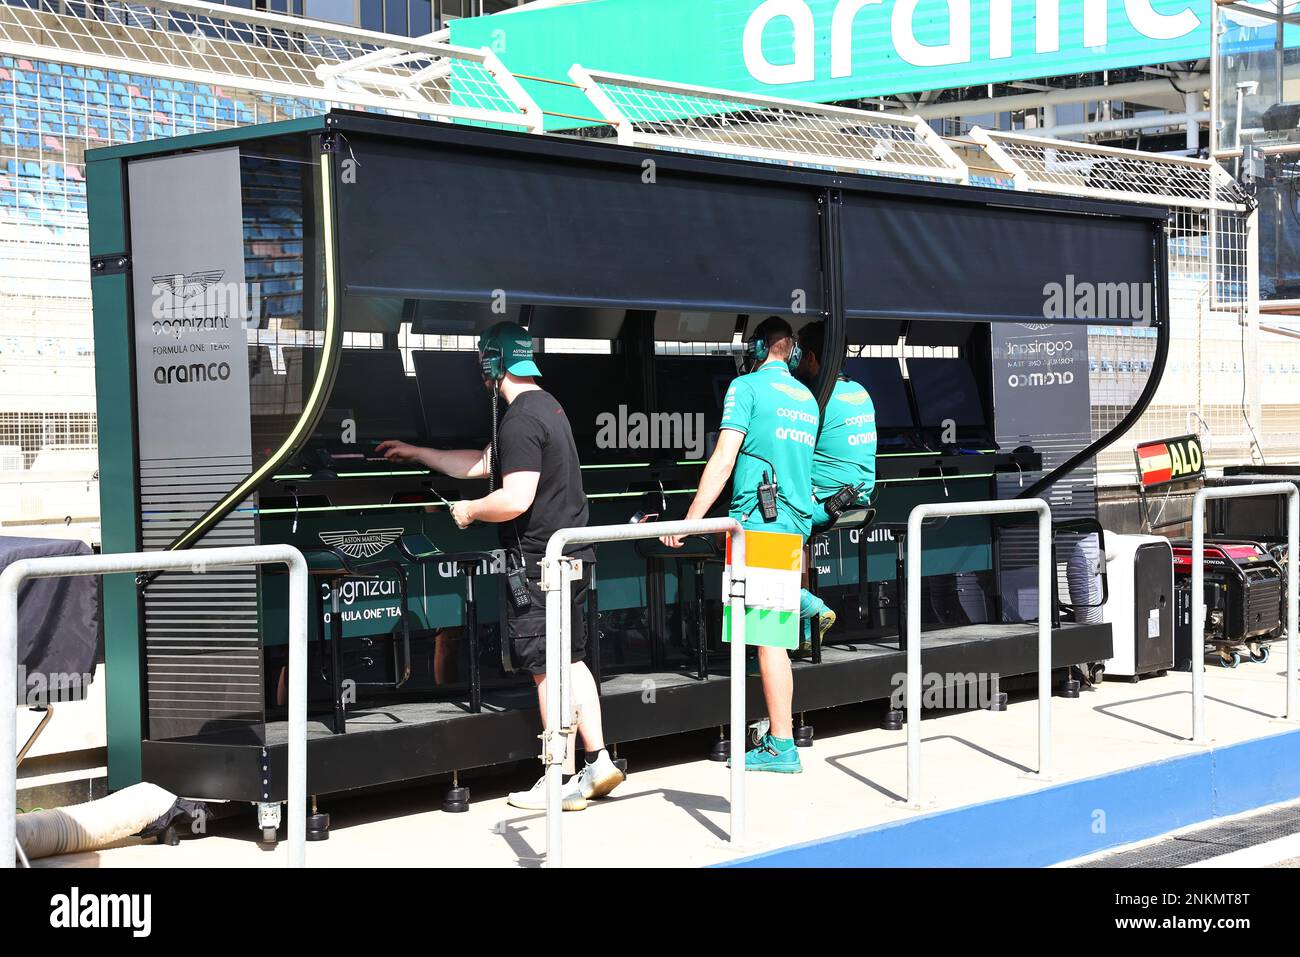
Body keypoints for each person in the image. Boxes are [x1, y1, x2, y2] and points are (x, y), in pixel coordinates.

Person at [377, 320, 623, 811]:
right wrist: (417, 452)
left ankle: (558, 778)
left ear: (492, 363)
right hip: (571, 557)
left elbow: (514, 497)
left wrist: (469, 510)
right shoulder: (546, 406)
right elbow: (484, 463)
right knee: (571, 660)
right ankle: (598, 762)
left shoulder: (520, 419)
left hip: (541, 564)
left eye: (481, 363)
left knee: (545, 670)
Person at [661, 316, 815, 773]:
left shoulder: (745, 388)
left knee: (767, 639)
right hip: (791, 524)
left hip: (759, 527)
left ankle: (781, 745)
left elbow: (724, 457)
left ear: (759, 347)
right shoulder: (806, 398)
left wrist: (691, 519)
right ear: (791, 350)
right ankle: (779, 735)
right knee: (773, 638)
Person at [793, 321, 877, 648]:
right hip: (857, 500)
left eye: (799, 353)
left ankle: (806, 610)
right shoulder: (860, 392)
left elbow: (791, 452)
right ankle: (802, 629)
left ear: (812, 358)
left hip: (826, 505)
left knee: (770, 526)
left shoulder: (815, 399)